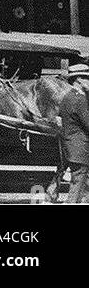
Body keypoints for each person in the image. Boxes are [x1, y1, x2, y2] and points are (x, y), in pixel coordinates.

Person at [59, 63, 89, 203]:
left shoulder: (67, 97)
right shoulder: (80, 100)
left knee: (79, 186)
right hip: (81, 149)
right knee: (77, 188)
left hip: (71, 148)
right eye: (87, 78)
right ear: (79, 80)